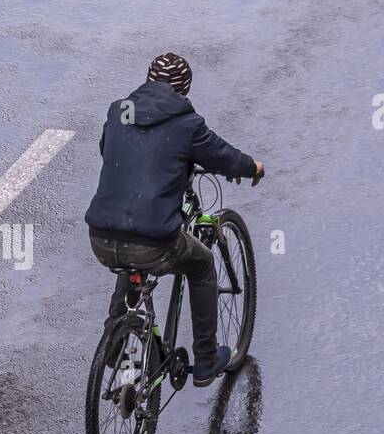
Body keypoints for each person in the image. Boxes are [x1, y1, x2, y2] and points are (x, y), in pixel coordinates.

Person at [85, 53, 263, 384]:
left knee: (130, 250)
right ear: (184, 91)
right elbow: (222, 156)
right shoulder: (187, 125)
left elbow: (108, 149)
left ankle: (114, 339)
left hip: (100, 237)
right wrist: (251, 167)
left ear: (148, 81)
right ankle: (207, 360)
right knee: (201, 264)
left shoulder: (118, 111)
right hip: (152, 243)